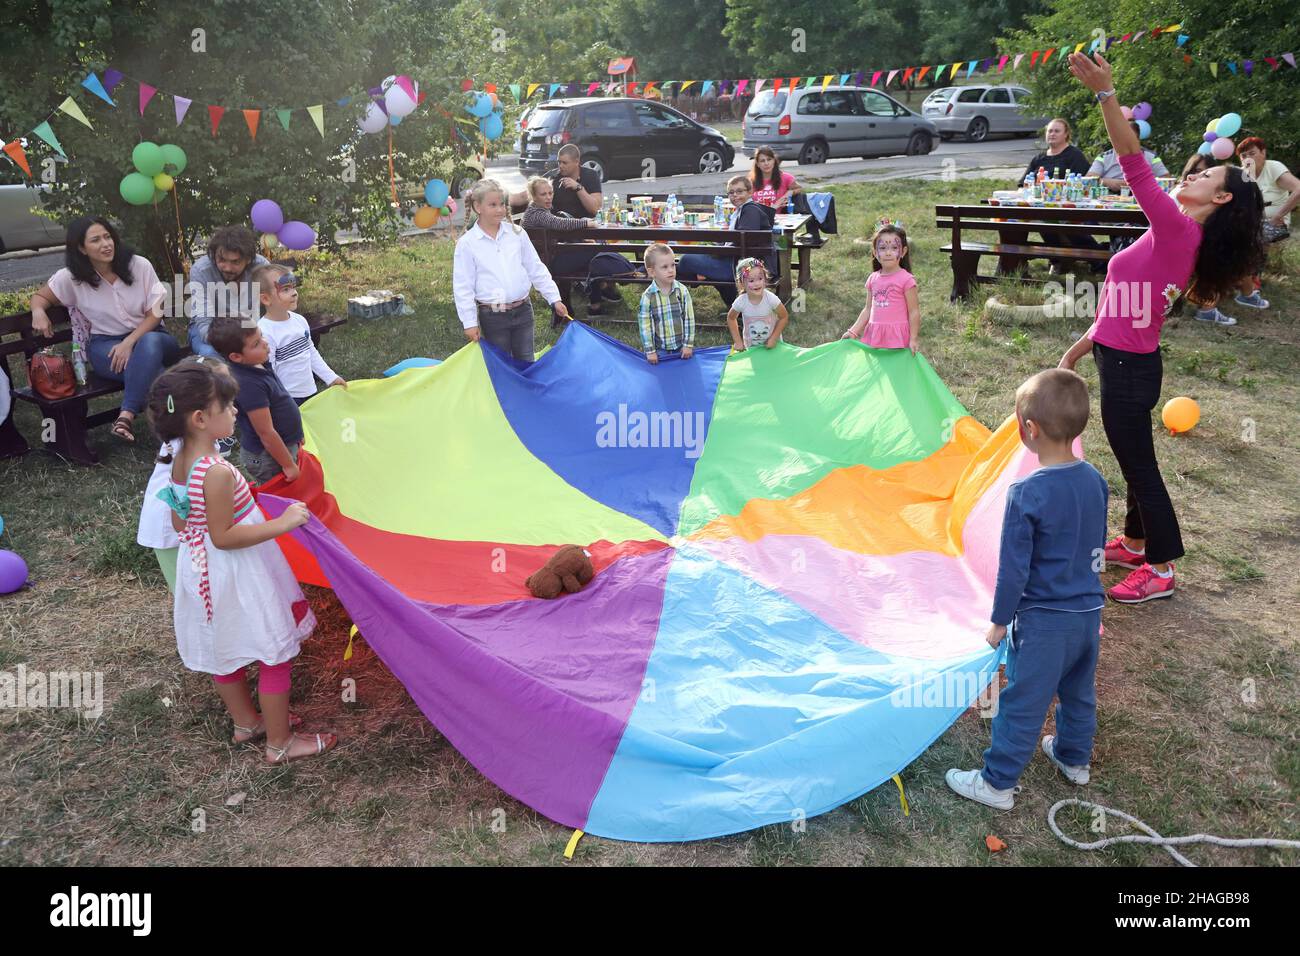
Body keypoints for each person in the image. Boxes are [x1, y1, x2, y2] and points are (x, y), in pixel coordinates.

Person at [1058, 50, 1265, 604]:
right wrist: (1081, 348)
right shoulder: (1180, 237)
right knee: (1132, 455)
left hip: (1129, 370)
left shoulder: (1177, 229)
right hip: (1124, 358)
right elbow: (1126, 303)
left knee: (1139, 464)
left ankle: (1163, 568)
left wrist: (1106, 93)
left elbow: (1131, 158)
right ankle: (1135, 539)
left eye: (1204, 175)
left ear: (1219, 198)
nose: (1192, 176)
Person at [145, 357, 335, 765]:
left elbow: (182, 522)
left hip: (202, 573)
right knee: (273, 651)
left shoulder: (179, 461)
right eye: (228, 407)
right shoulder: (214, 471)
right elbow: (225, 536)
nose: (235, 412)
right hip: (237, 571)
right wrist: (283, 523)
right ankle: (280, 743)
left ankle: (247, 721)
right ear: (200, 418)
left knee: (226, 648)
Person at [945, 369, 1108, 810]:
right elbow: (1092, 547)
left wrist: (1000, 622)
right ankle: (1074, 759)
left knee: (1021, 701)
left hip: (1043, 624)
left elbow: (1013, 571)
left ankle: (997, 784)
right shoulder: (1095, 481)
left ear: (1028, 430)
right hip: (1087, 617)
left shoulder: (1026, 493)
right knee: (1078, 693)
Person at [29, 216, 177, 443]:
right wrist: (38, 311)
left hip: (153, 338)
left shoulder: (139, 265)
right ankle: (174, 438)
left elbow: (155, 314)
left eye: (108, 237)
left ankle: (126, 414)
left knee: (148, 346)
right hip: (105, 344)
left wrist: (129, 343)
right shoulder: (71, 278)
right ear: (81, 248)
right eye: (96, 240)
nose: (106, 244)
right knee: (151, 372)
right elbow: (40, 297)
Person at [454, 179, 569, 362]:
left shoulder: (517, 234)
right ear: (477, 206)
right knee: (502, 363)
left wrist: (553, 297)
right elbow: (463, 287)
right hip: (493, 316)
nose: (500, 209)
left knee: (526, 359)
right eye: (492, 205)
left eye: (502, 204)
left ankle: (527, 389)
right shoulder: (467, 244)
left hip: (523, 311)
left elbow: (535, 267)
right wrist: (469, 322)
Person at [208, 316, 303, 486]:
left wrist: (297, 435)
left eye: (262, 336)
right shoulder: (248, 384)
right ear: (236, 357)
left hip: (282, 446)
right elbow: (265, 432)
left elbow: (280, 398)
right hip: (267, 457)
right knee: (279, 494)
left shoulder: (259, 362)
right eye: (256, 344)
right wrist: (288, 464)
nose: (265, 343)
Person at [521, 176, 629, 318]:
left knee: (594, 248)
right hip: (547, 264)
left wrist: (582, 239)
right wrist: (586, 223)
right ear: (533, 196)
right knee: (596, 248)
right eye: (543, 194)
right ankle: (617, 278)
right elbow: (559, 223)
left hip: (551, 256)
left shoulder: (539, 210)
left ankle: (599, 297)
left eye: (550, 193)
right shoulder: (536, 214)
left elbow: (558, 227)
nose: (548, 197)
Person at [678, 175, 778, 307]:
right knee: (691, 260)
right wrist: (718, 247)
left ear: (750, 192)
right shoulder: (745, 210)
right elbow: (737, 241)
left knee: (685, 260)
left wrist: (716, 251)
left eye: (739, 191)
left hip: (744, 268)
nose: (735, 195)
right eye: (731, 192)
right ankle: (734, 305)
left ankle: (699, 276)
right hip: (740, 261)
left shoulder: (750, 211)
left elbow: (743, 240)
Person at [1014, 119, 1098, 272]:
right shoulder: (1039, 158)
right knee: (1026, 221)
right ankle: (1053, 259)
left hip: (1070, 208)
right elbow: (1023, 184)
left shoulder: (1074, 155)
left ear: (1066, 134)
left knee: (1064, 224)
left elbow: (1082, 183)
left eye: (1056, 131)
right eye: (1049, 131)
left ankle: (1097, 259)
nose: (1052, 134)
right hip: (1040, 207)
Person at [253, 264, 346, 405]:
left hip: (310, 390)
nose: (294, 293)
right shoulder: (265, 332)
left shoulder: (299, 321)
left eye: (294, 287)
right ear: (266, 299)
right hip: (286, 398)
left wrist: (331, 377)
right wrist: (279, 401)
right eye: (285, 289)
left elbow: (311, 352)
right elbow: (268, 372)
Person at [186, 226, 269, 359]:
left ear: (248, 259)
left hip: (250, 327)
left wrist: (254, 340)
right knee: (213, 356)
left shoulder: (261, 266)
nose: (227, 268)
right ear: (214, 256)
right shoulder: (201, 271)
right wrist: (236, 345)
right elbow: (204, 323)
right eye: (222, 260)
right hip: (212, 330)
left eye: (235, 262)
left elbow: (274, 305)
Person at [842, 220, 920, 353]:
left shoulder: (906, 280)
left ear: (903, 251)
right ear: (874, 251)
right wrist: (853, 332)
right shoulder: (873, 279)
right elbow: (867, 309)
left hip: (897, 339)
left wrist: (913, 338)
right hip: (875, 337)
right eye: (883, 248)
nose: (888, 253)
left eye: (894, 248)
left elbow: (914, 312)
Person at [637, 243, 695, 364]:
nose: (670, 270)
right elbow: (645, 326)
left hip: (681, 348)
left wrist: (688, 345)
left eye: (673, 265)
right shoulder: (648, 297)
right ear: (652, 272)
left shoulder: (682, 291)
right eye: (664, 267)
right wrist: (650, 351)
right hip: (660, 351)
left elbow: (689, 319)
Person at [509, 143, 602, 218]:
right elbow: (527, 194)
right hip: (559, 230)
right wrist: (502, 197)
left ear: (577, 161)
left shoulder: (590, 175)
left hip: (586, 229)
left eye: (564, 163)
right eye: (559, 162)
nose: (560, 166)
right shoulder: (553, 176)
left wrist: (578, 188)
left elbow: (595, 209)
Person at [1236, 137, 1298, 242]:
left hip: (1273, 225)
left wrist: (1278, 216)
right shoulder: (1240, 175)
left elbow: (1299, 189)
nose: (1248, 159)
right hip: (1249, 225)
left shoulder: (1273, 167)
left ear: (1263, 153)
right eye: (1243, 156)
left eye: (1252, 153)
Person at [727, 257, 788, 351]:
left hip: (773, 348)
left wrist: (773, 338)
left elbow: (783, 317)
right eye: (751, 280)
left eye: (760, 278)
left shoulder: (771, 299)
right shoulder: (741, 301)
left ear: (765, 278)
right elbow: (731, 318)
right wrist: (738, 342)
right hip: (751, 349)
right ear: (742, 283)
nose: (757, 283)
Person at [1087, 121, 1169, 192]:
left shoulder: (1151, 157)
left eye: (1129, 138)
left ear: (1137, 140)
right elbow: (1089, 180)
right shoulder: (1103, 157)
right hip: (1108, 196)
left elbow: (1166, 181)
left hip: (1143, 197)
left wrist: (1139, 184)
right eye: (1121, 138)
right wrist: (1107, 182)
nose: (1125, 142)